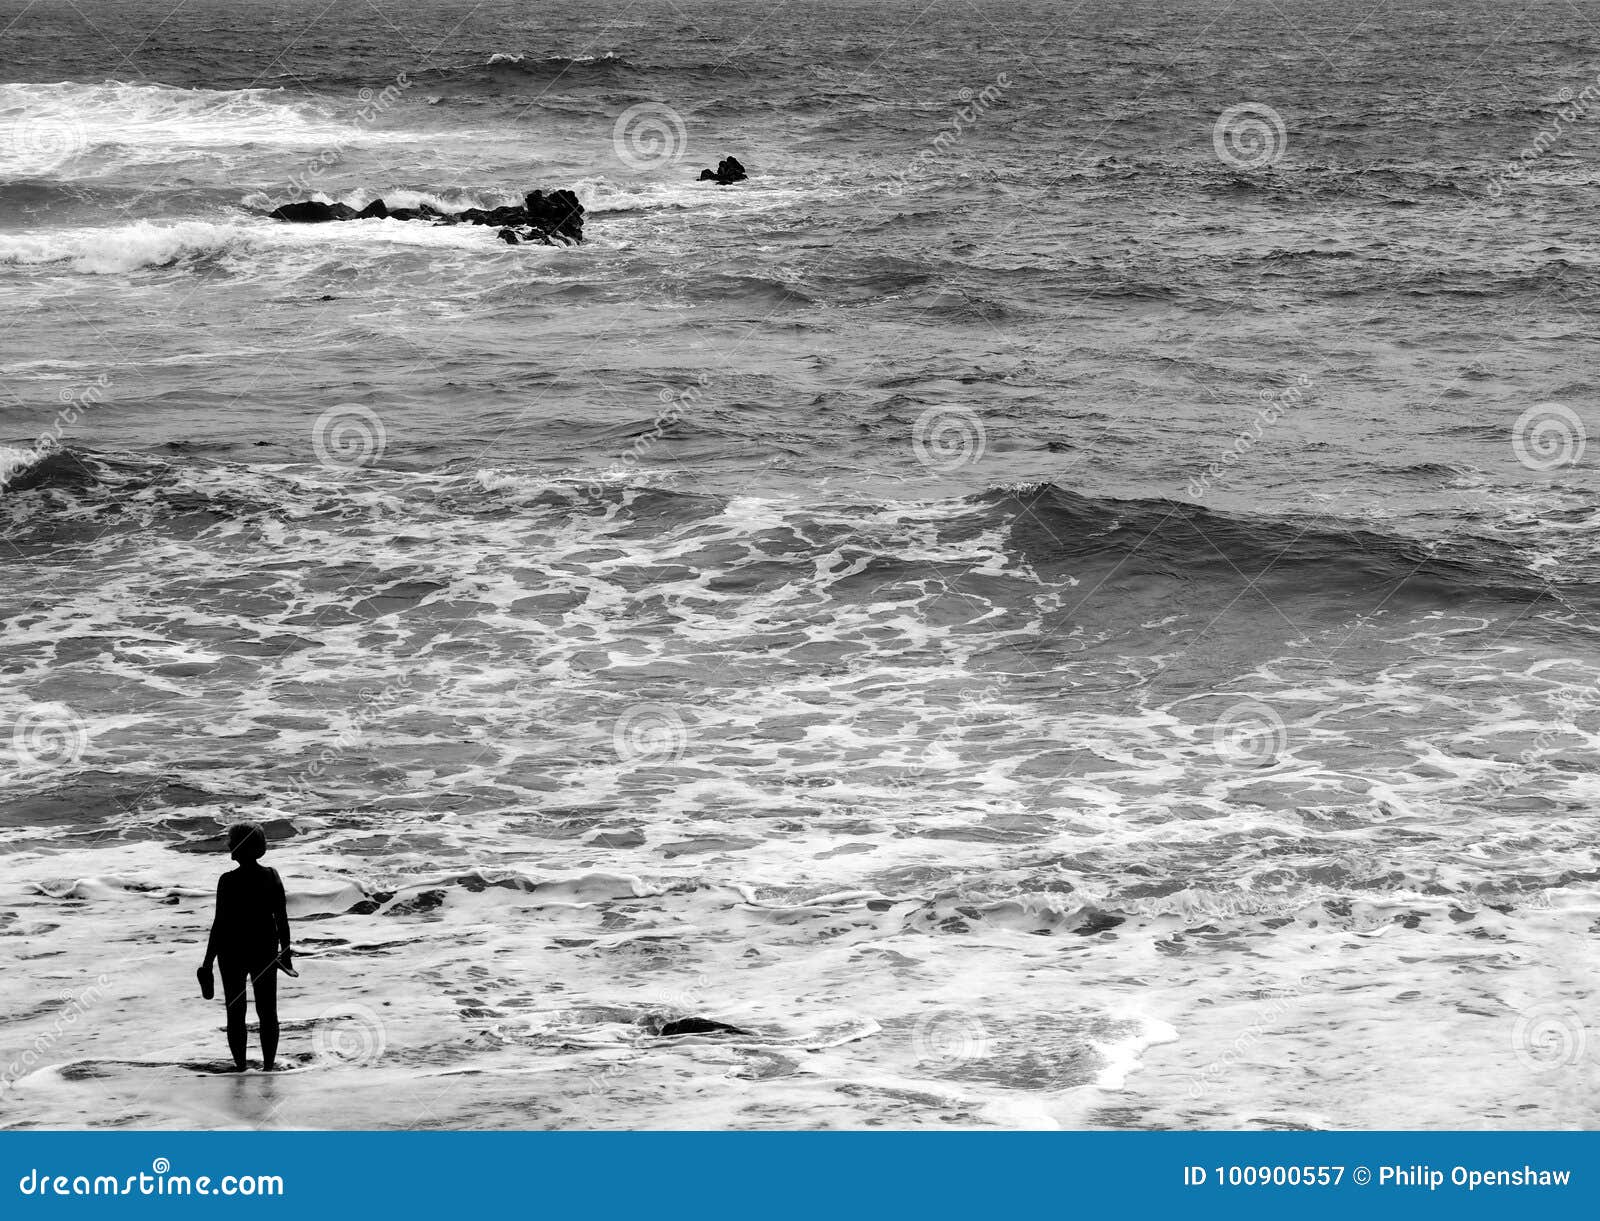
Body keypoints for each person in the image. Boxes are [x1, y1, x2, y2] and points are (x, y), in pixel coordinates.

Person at [198, 823, 294, 1071]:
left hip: (232, 951)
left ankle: (240, 1067)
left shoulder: (228, 881)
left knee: (235, 1011)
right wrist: (285, 952)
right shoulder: (271, 876)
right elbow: (281, 919)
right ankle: (269, 1067)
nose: (229, 845)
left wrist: (208, 962)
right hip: (264, 948)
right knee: (268, 1011)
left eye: (231, 841)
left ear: (237, 848)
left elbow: (219, 924)